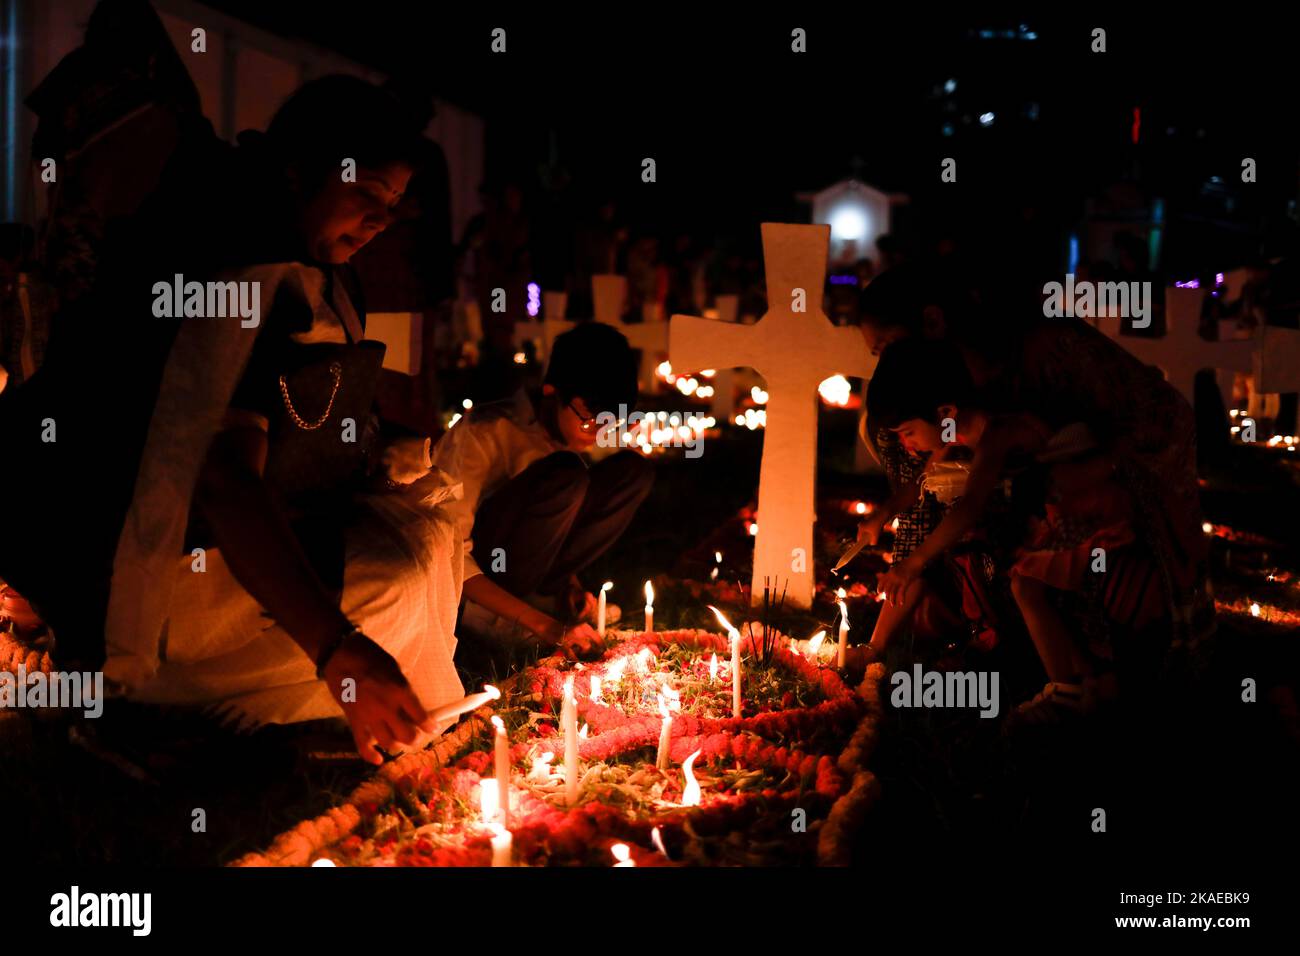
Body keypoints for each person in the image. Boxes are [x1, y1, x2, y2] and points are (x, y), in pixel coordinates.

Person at [0, 75, 464, 764]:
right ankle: (106, 689)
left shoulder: (303, 257)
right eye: (366, 193)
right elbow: (222, 484)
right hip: (120, 552)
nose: (378, 221)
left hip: (228, 529)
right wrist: (339, 655)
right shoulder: (229, 263)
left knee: (426, 544)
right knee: (397, 581)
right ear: (297, 169)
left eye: (392, 207)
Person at [872, 339, 1171, 723]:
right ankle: (1090, 686)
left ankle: (1068, 688)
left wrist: (913, 563)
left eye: (907, 431)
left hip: (1090, 509)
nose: (905, 443)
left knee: (1026, 584)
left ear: (945, 411)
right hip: (1061, 511)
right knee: (1025, 585)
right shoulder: (953, 431)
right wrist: (883, 512)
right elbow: (926, 476)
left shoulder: (998, 433)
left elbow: (969, 507)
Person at [432, 322, 654, 659]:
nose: (598, 431)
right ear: (551, 391)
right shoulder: (486, 431)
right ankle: (515, 613)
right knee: (567, 474)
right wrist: (549, 628)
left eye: (610, 421)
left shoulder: (568, 431)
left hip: (531, 569)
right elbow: (448, 555)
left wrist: (572, 585)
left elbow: (551, 521)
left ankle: (551, 595)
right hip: (479, 577)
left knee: (632, 472)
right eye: (588, 418)